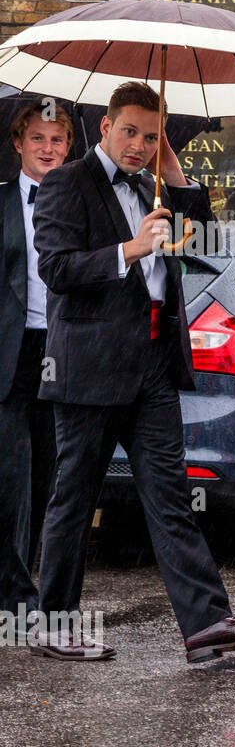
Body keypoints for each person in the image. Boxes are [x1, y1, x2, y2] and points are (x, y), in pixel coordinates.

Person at [31, 81, 235, 662]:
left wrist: (175, 171)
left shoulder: (152, 188)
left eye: (150, 135)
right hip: (89, 371)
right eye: (130, 132)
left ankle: (206, 624)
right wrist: (130, 249)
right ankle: (53, 623)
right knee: (74, 494)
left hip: (151, 367)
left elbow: (206, 237)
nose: (138, 145)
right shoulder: (66, 183)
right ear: (105, 127)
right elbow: (56, 268)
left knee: (170, 496)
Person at [0, 102, 71, 641]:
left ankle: (27, 585)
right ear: (18, 143)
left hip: (61, 350)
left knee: (49, 475)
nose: (48, 148)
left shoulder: (75, 204)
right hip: (9, 353)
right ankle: (16, 595)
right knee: (13, 475)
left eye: (58, 140)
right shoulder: (2, 201)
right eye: (38, 138)